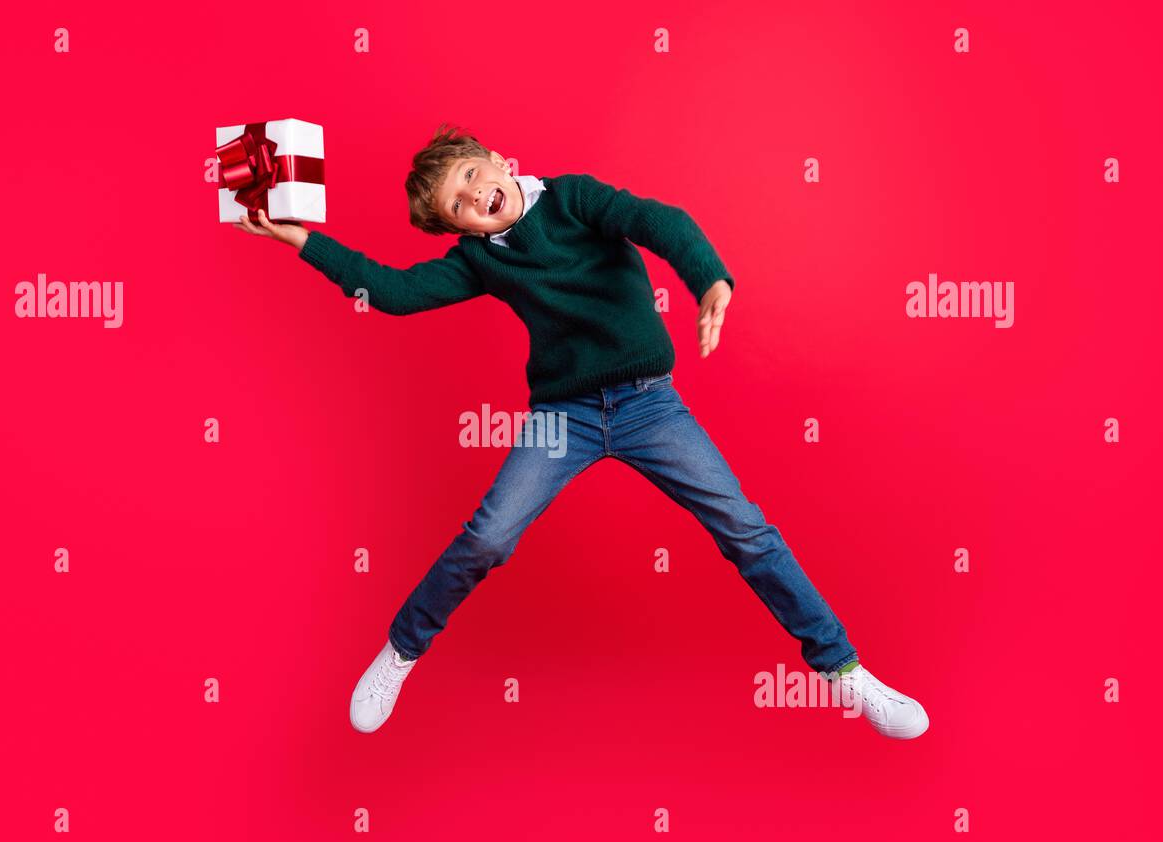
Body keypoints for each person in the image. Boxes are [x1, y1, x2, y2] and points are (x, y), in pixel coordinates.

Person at [234, 123, 930, 740]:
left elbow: (658, 219)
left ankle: (846, 672)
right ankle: (401, 653)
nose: (476, 196)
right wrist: (300, 238)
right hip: (562, 418)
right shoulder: (483, 259)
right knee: (487, 536)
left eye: (475, 176)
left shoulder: (571, 198)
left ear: (502, 162)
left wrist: (708, 279)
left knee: (745, 529)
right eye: (458, 203)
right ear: (461, 229)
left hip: (649, 406)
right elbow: (391, 293)